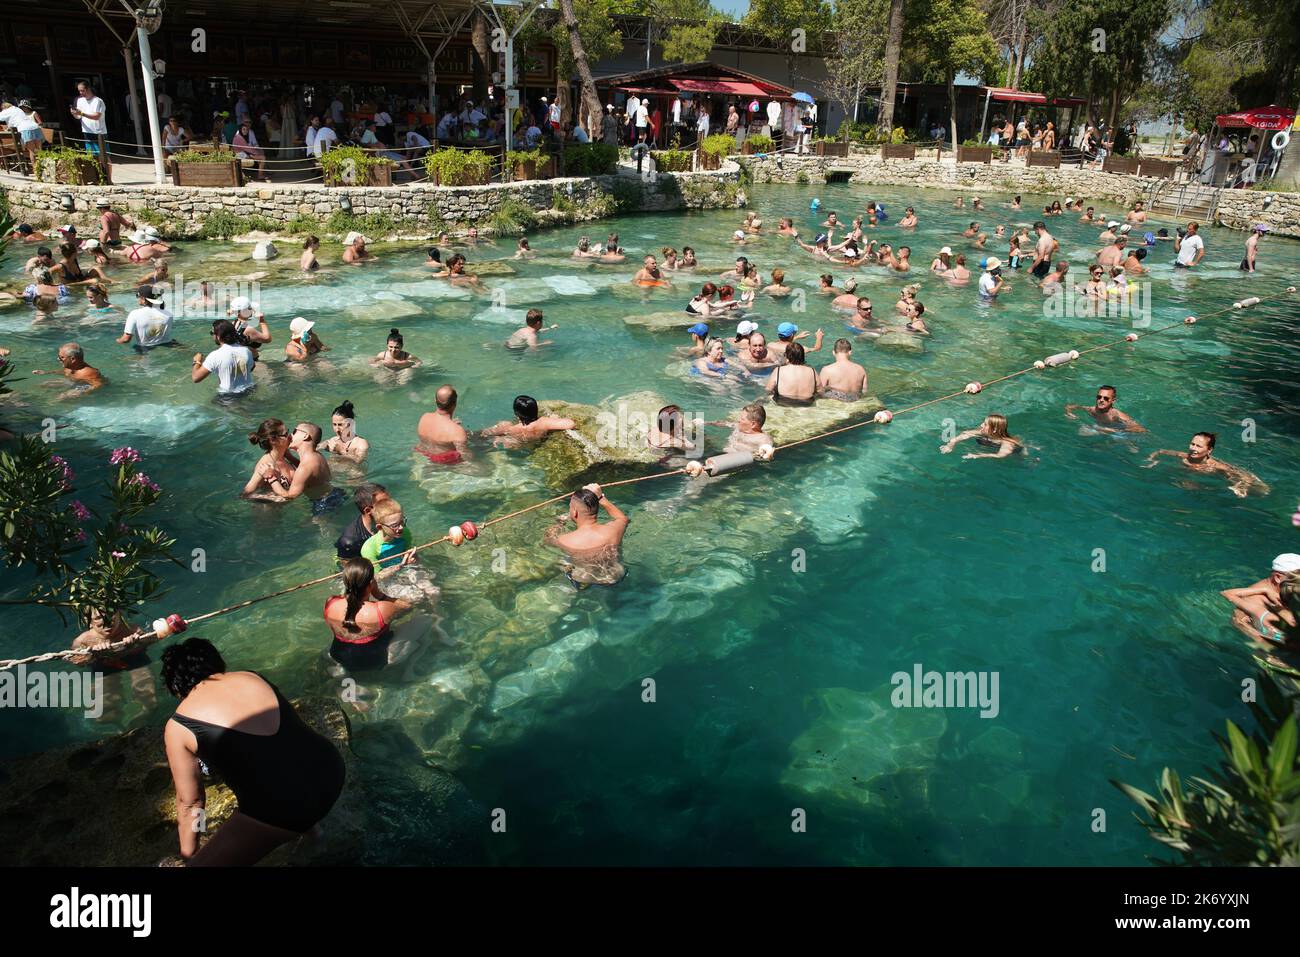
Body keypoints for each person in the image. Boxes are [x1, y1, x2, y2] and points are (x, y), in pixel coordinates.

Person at [162, 637, 345, 865]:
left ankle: (304, 824)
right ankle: (316, 835)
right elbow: (285, 745)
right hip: (331, 771)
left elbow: (191, 804)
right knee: (278, 762)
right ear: (217, 663)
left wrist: (189, 857)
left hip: (288, 808)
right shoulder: (251, 676)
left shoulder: (178, 725)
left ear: (176, 687)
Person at [324, 558, 412, 672]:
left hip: (338, 655)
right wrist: (379, 594)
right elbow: (407, 607)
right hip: (372, 662)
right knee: (423, 620)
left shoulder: (331, 602)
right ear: (371, 583)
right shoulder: (381, 609)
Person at [543, 483, 629, 587]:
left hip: (584, 579)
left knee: (564, 562)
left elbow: (547, 540)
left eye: (570, 507)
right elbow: (623, 519)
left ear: (574, 512)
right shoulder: (613, 531)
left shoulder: (564, 540)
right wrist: (601, 498)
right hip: (616, 576)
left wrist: (559, 523)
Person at [1143, 432, 1268, 497]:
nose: (1193, 449)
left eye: (1198, 446)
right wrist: (1152, 459)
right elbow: (1161, 451)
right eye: (1192, 444)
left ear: (1209, 450)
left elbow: (1240, 474)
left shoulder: (1215, 466)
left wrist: (1241, 486)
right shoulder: (1184, 456)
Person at [1221, 554, 1300, 645]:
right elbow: (1237, 620)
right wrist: (1259, 640)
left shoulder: (1282, 591)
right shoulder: (1255, 600)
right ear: (1278, 578)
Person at [193, 319, 255, 397]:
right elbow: (251, 368)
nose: (212, 336)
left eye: (212, 333)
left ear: (218, 336)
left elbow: (196, 378)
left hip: (228, 397)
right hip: (249, 392)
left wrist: (197, 361)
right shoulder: (246, 351)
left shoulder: (215, 355)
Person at [482, 395, 576, 444]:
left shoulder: (511, 429)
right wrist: (553, 418)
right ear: (536, 409)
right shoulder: (543, 423)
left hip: (517, 442)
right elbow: (571, 423)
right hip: (534, 441)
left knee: (504, 424)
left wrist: (499, 438)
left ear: (516, 413)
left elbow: (486, 433)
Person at [335, 483, 389, 561]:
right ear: (368, 510)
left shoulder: (393, 520)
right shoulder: (351, 542)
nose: (392, 505)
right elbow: (350, 571)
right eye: (384, 504)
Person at [415, 384, 468, 463]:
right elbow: (465, 456)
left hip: (422, 454)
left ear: (435, 400)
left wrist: (450, 426)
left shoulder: (424, 417)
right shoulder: (457, 431)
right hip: (443, 463)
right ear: (455, 403)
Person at [360, 498, 416, 570]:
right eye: (395, 525)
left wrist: (413, 558)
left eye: (402, 522)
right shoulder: (369, 548)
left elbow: (408, 552)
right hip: (388, 578)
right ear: (380, 527)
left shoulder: (405, 532)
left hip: (405, 566)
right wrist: (402, 565)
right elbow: (377, 577)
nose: (401, 527)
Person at [31, 342, 106, 396]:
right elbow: (64, 372)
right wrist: (47, 372)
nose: (58, 359)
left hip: (83, 387)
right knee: (43, 384)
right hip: (73, 382)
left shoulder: (89, 372)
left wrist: (81, 391)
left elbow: (99, 385)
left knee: (61, 397)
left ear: (73, 359)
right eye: (59, 356)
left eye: (62, 357)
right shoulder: (69, 367)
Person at [1065, 385, 1146, 433]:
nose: (1101, 400)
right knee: (1082, 431)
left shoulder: (1116, 415)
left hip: (1119, 433)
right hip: (1103, 429)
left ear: (1113, 400)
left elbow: (1140, 429)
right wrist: (1069, 413)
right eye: (1099, 397)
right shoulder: (1092, 409)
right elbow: (1070, 406)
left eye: (1106, 398)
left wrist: (1112, 431)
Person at [940, 413, 1024, 459]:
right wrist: (951, 443)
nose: (981, 425)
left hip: (1016, 453)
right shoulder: (982, 432)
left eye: (985, 424)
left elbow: (1000, 455)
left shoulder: (1007, 443)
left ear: (994, 430)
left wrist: (977, 455)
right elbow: (966, 433)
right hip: (992, 444)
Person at [118, 285, 174, 350]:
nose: (138, 298)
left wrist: (117, 341)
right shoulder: (168, 314)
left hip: (145, 349)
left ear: (144, 299)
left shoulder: (135, 314)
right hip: (167, 346)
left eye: (138, 296)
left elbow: (126, 339)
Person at [71, 81, 108, 170]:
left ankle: (108, 178)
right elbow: (78, 116)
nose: (80, 93)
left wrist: (82, 113)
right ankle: (97, 178)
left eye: (82, 90)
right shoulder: (80, 100)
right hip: (86, 131)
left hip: (99, 132)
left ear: (88, 89)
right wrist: (74, 113)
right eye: (79, 91)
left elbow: (96, 116)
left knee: (104, 156)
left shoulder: (97, 101)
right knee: (91, 156)